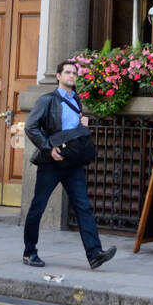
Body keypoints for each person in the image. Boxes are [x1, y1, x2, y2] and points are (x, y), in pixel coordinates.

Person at [22, 60, 117, 269]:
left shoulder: (76, 100)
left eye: (74, 73)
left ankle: (94, 254)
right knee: (38, 207)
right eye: (67, 72)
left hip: (72, 163)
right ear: (58, 76)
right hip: (51, 163)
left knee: (83, 207)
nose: (71, 76)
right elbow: (31, 126)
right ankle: (29, 252)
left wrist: (84, 125)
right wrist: (48, 147)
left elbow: (72, 131)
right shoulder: (47, 100)